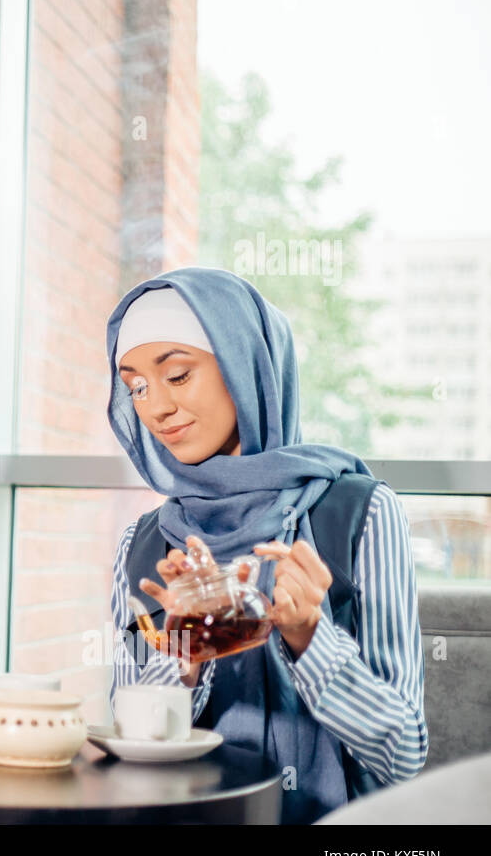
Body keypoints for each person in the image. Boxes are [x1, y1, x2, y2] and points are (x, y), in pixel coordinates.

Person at [104, 268, 427, 824]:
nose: (155, 407)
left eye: (177, 375)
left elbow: (403, 756)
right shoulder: (143, 544)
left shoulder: (361, 514)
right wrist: (184, 653)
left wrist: (310, 638)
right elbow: (126, 743)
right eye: (137, 387)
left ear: (244, 364)